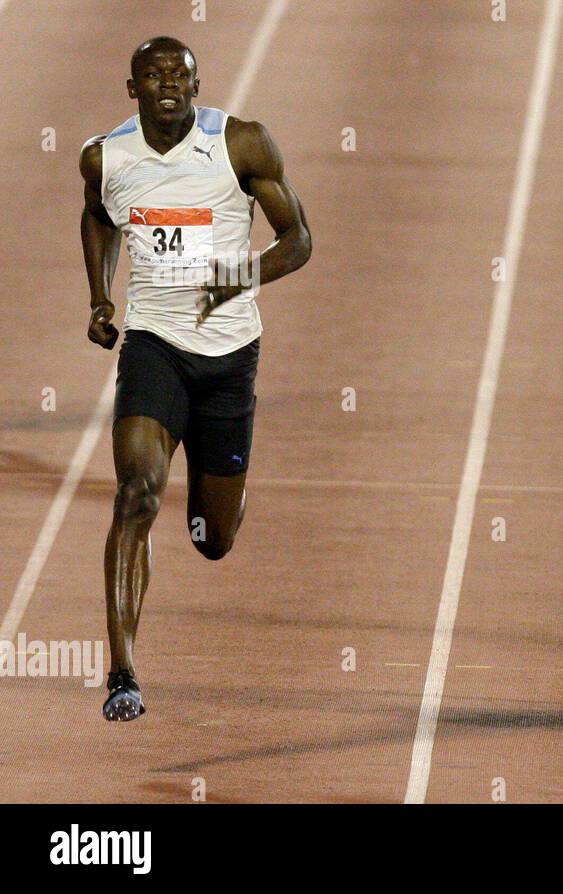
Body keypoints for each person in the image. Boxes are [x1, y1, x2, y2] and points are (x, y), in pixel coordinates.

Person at [80, 36, 311, 720]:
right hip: (155, 346)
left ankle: (221, 500)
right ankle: (123, 673)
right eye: (154, 76)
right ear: (134, 91)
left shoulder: (241, 144)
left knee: (213, 541)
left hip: (230, 356)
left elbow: (298, 238)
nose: (169, 85)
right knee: (136, 494)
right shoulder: (106, 156)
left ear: (198, 84)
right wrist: (100, 297)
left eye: (181, 75)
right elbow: (97, 216)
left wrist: (236, 278)